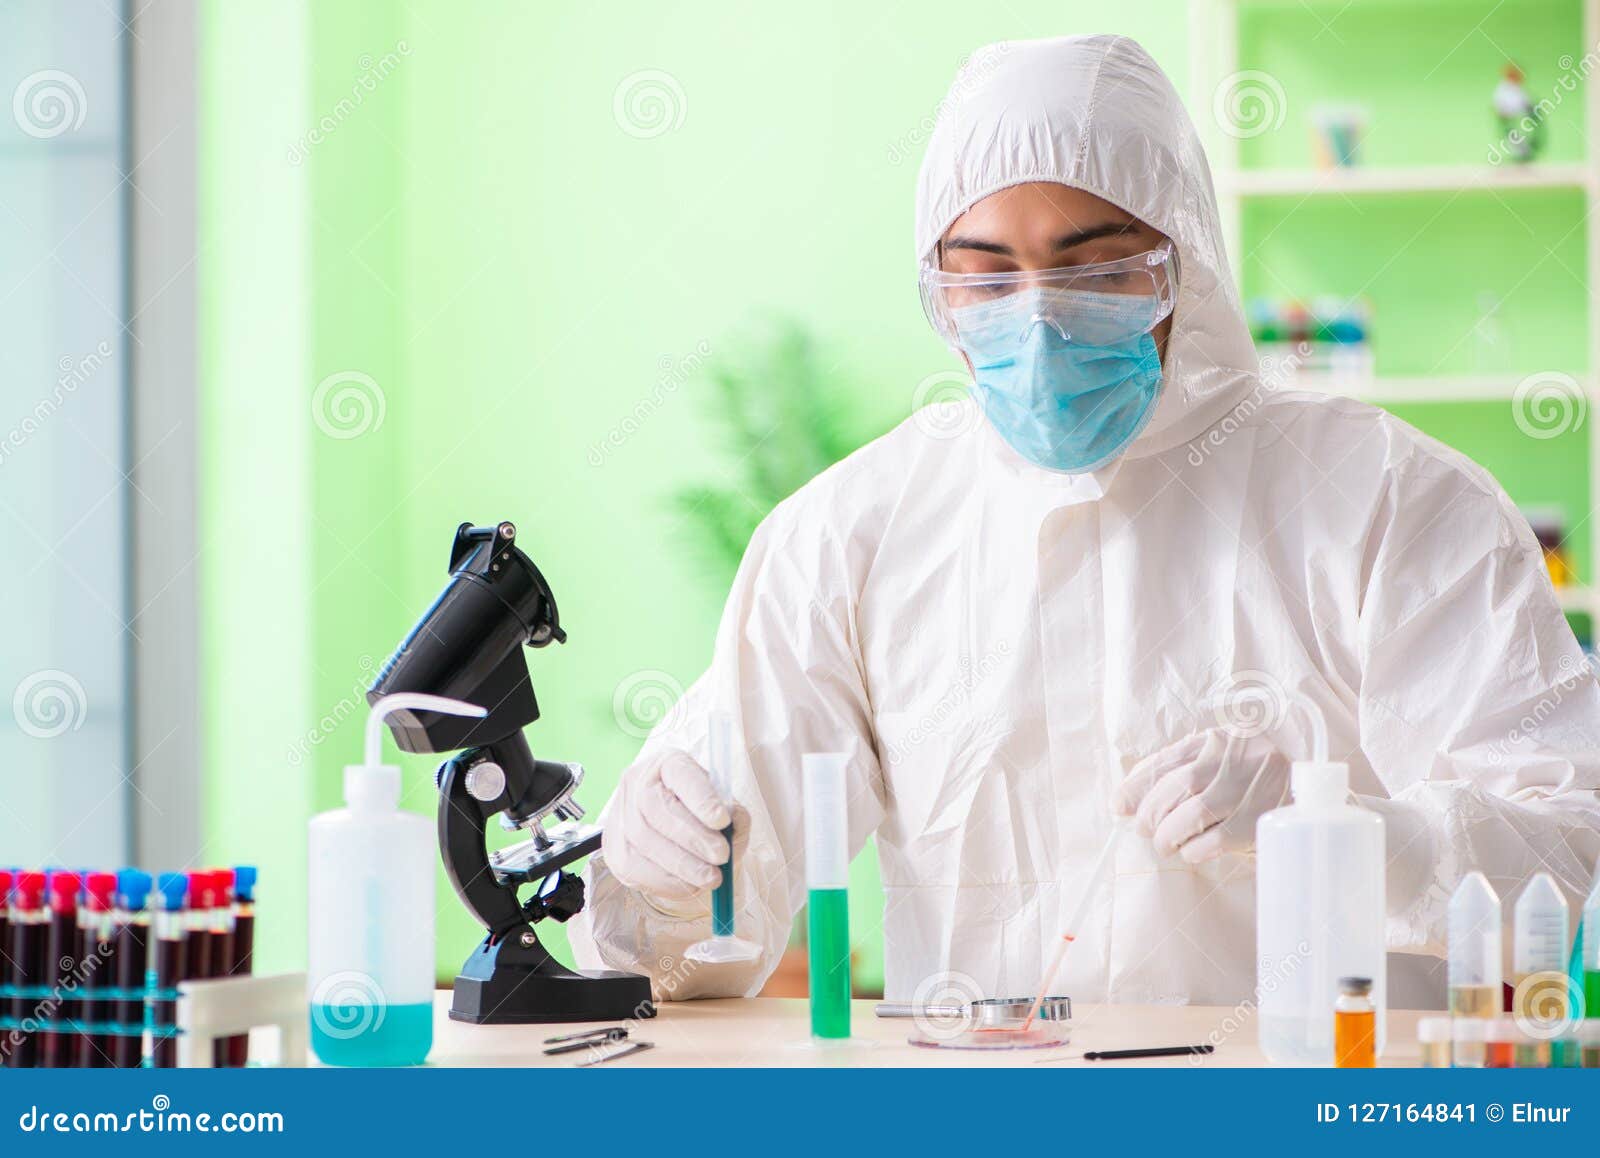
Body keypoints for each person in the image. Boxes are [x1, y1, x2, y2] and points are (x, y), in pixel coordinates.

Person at [570, 34, 1600, 1007]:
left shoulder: (1386, 497)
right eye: (985, 275)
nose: (1039, 318)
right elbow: (693, 952)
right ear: (936, 287)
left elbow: (1572, 859)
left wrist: (1341, 830)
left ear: (1183, 259)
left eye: (1098, 269)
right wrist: (653, 879)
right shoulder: (847, 537)